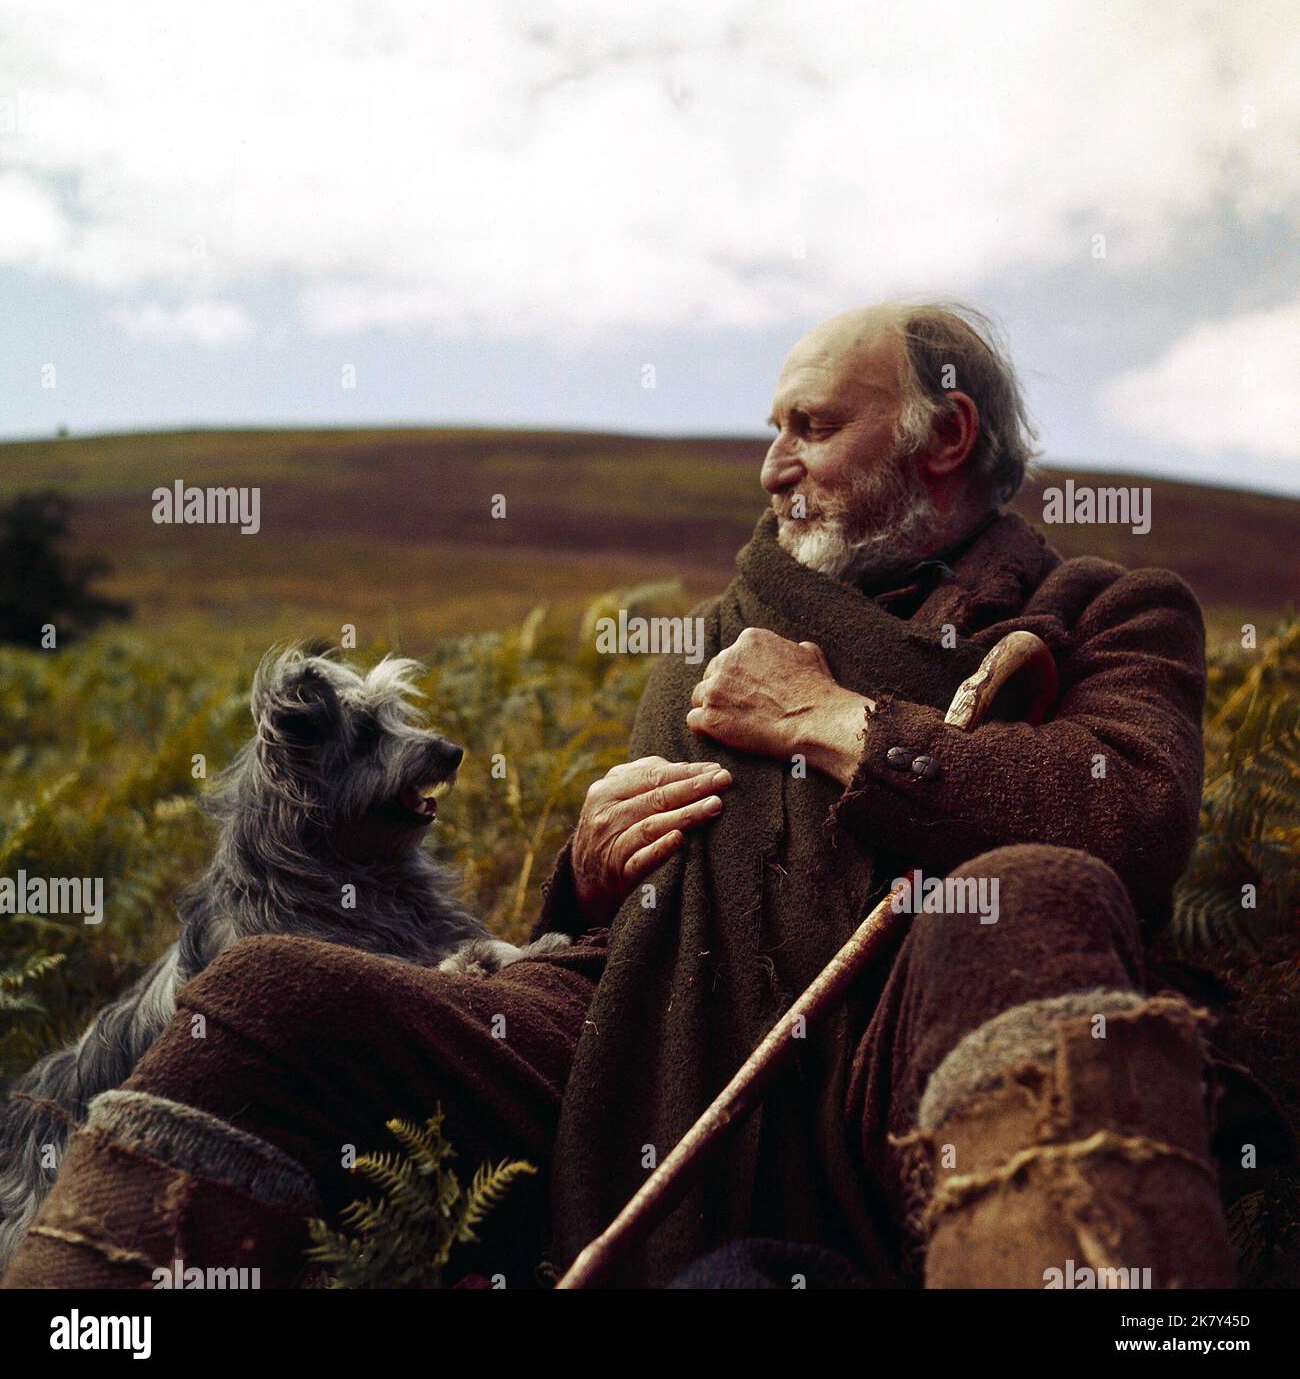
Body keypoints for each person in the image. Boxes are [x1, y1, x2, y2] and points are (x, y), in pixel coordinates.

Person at [2, 302, 1240, 1290]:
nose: (771, 467)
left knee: (1034, 895)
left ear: (945, 439)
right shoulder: (711, 636)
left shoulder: (1103, 610)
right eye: (771, 430)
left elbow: (1123, 813)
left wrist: (838, 724)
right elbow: (636, 927)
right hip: (640, 1047)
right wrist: (586, 872)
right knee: (263, 995)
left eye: (810, 426)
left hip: (893, 1035)